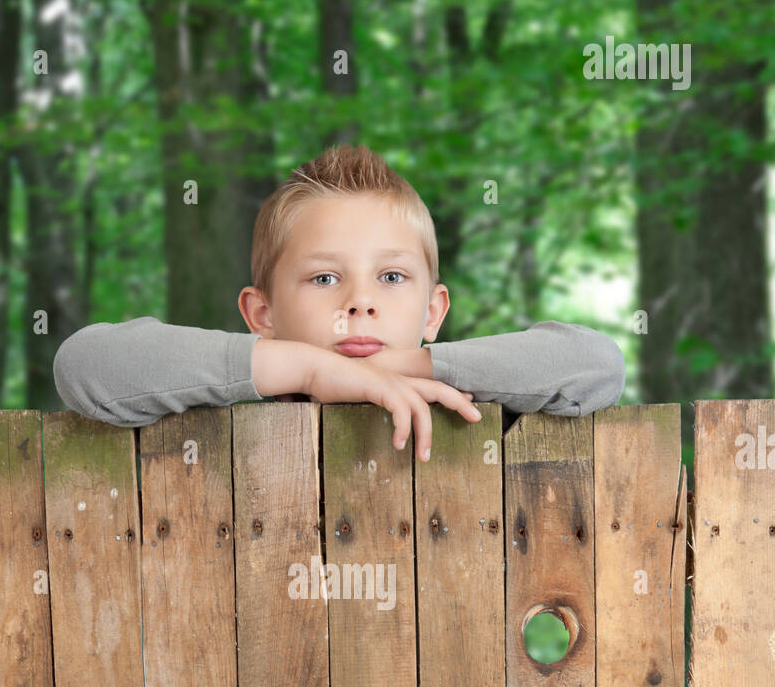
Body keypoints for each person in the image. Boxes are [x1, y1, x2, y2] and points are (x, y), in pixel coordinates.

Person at [53, 144, 625, 463]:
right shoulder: (223, 397)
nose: (360, 302)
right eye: (325, 278)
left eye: (392, 277)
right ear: (262, 315)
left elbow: (598, 365)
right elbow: (85, 366)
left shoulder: (465, 391)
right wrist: (309, 369)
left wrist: (403, 367)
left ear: (433, 312)